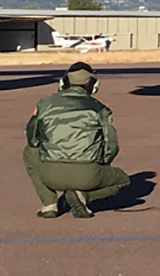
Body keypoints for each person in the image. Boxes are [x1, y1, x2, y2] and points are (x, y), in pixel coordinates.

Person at [23, 62, 128, 219]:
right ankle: (84, 197)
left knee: (29, 151)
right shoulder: (100, 109)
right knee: (123, 180)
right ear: (94, 85)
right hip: (88, 174)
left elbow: (32, 136)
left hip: (51, 174)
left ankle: (49, 204)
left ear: (63, 83)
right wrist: (101, 163)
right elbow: (111, 145)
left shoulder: (44, 104)